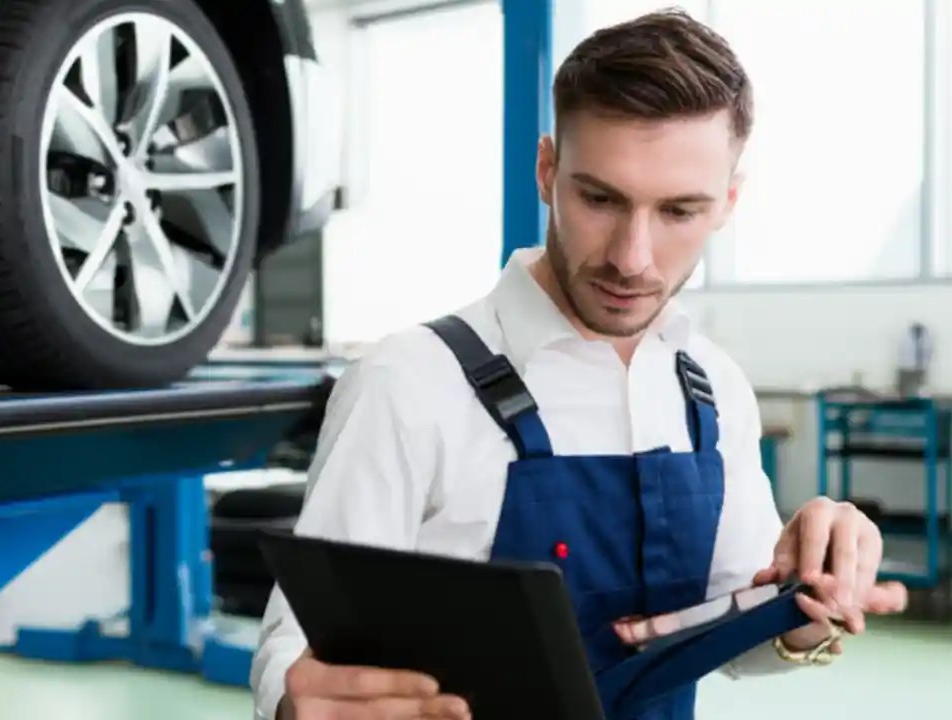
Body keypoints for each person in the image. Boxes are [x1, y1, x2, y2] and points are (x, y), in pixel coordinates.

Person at [250, 9, 908, 720]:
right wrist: (298, 706)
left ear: (728, 204)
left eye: (679, 211)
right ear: (547, 171)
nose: (633, 257)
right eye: (600, 198)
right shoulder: (408, 383)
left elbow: (726, 637)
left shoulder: (712, 389)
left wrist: (805, 603)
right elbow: (295, 660)